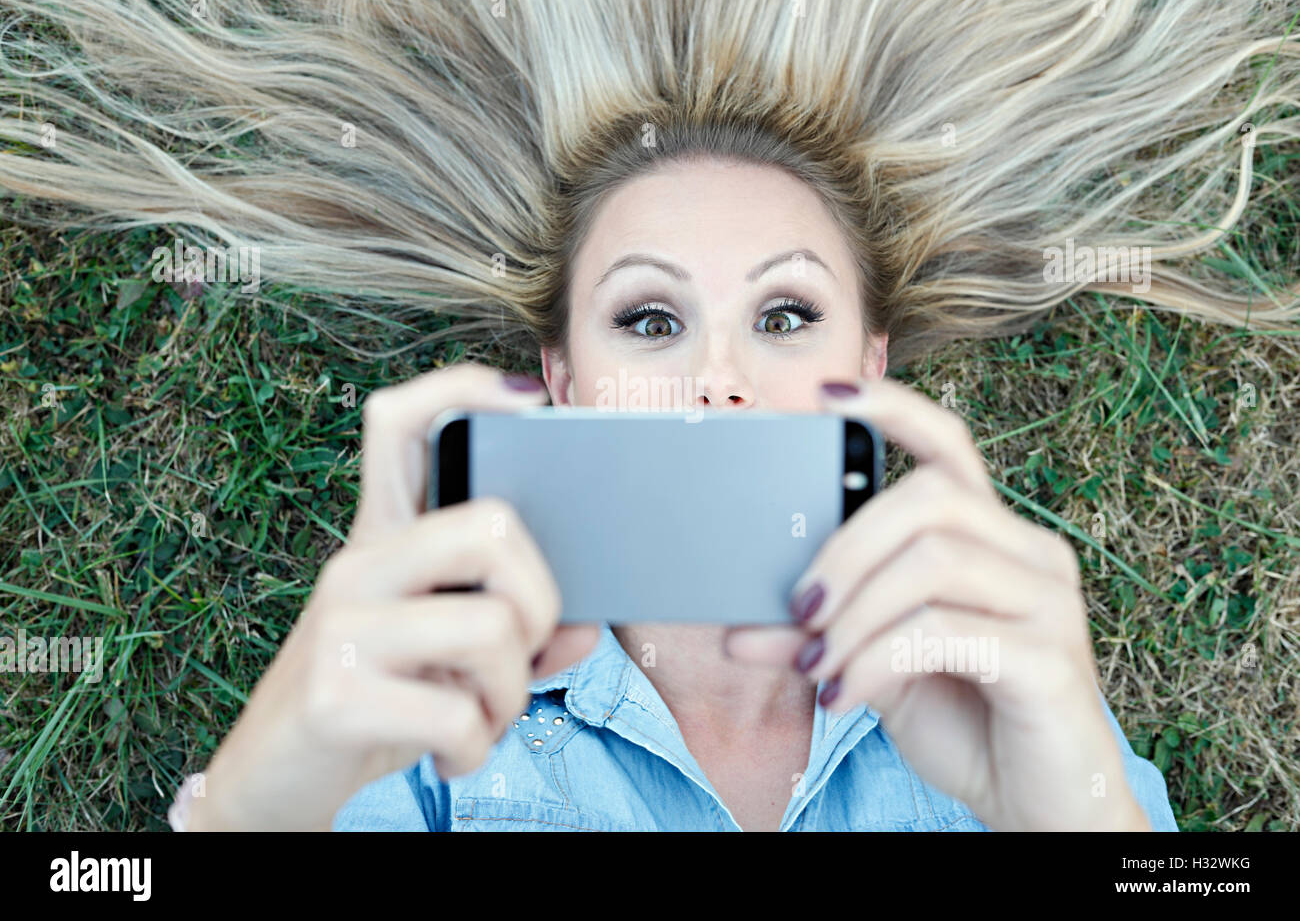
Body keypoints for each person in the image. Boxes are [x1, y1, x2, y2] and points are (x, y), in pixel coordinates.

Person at [180, 155, 1177, 831]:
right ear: (564, 378)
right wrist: (245, 809)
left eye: (784, 313)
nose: (718, 375)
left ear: (871, 364)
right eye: (651, 319)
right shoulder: (428, 704)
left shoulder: (992, 677)